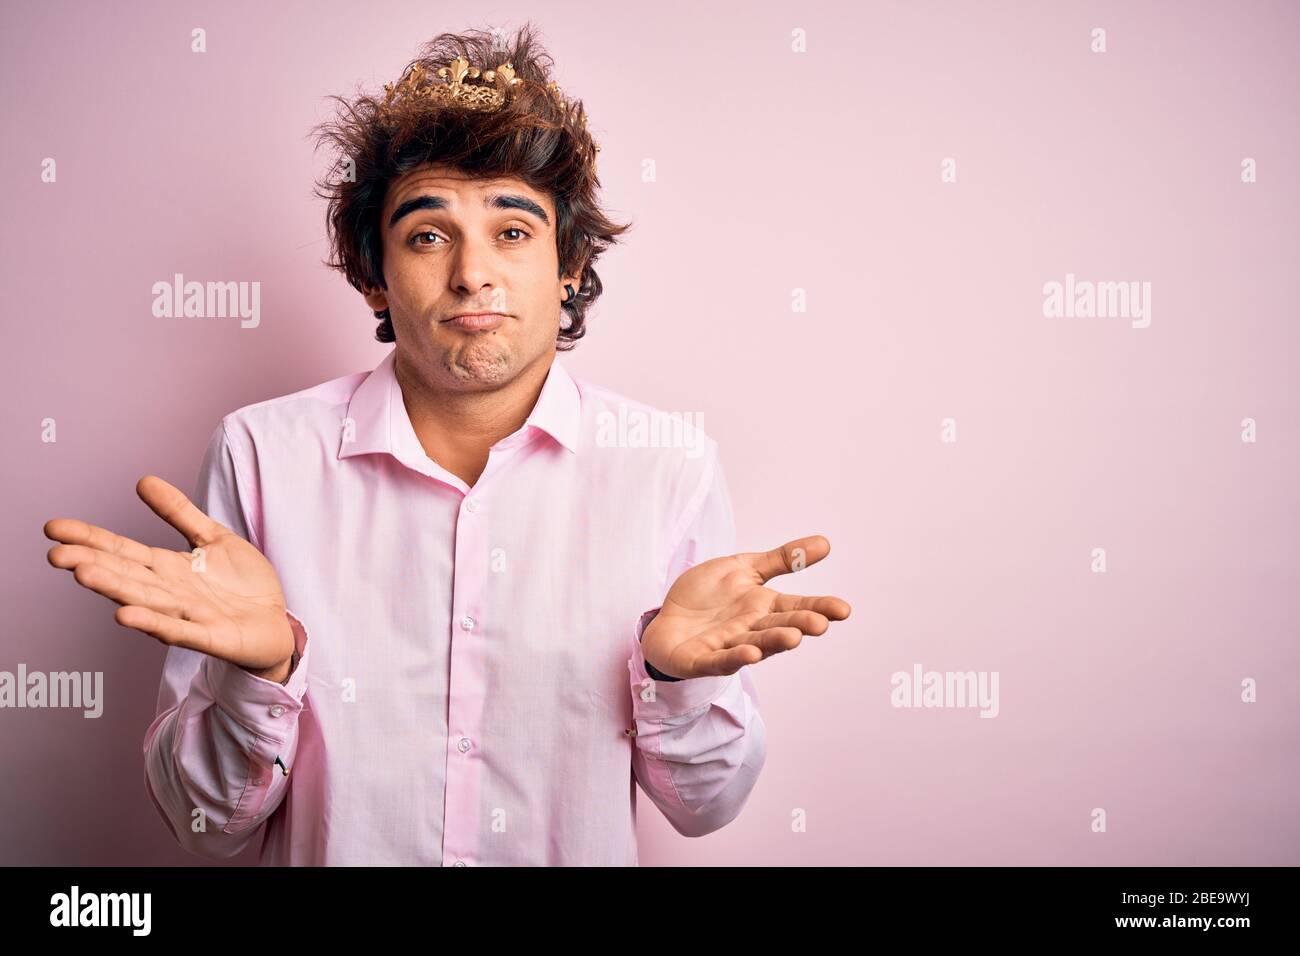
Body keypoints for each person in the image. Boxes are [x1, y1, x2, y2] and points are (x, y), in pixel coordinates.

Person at [42, 24, 852, 866]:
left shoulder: (668, 467)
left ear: (569, 263)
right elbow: (204, 826)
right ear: (372, 273)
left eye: (513, 232)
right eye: (428, 235)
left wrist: (677, 682)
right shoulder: (259, 455)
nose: (472, 273)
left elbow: (708, 809)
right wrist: (264, 674)